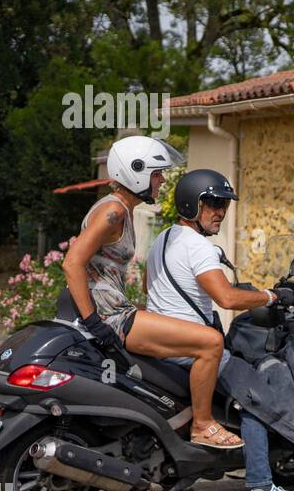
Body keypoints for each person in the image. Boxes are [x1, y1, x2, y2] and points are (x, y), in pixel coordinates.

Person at [146, 169, 294, 491]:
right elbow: (227, 298)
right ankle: (262, 489)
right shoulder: (199, 247)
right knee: (257, 398)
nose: (220, 211)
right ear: (193, 204)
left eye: (223, 204)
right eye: (213, 203)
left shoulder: (163, 240)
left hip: (164, 344)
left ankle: (184, 475)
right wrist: (269, 296)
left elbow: (153, 290)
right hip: (195, 351)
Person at [62, 136, 243, 449]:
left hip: (114, 311)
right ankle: (202, 425)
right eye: (156, 173)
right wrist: (95, 322)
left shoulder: (119, 210)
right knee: (211, 342)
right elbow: (72, 262)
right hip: (112, 316)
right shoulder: (113, 212)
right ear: (137, 171)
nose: (161, 180)